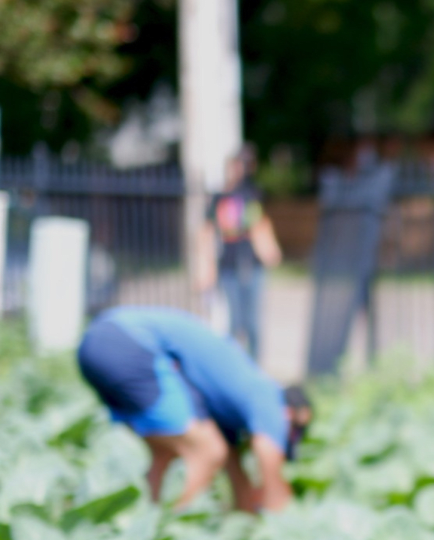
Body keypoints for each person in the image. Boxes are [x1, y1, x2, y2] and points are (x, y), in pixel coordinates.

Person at [75, 306, 312, 513]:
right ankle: (174, 531)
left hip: (99, 339)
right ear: (289, 415)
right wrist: (281, 511)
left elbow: (236, 472)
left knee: (164, 453)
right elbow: (270, 469)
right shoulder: (268, 396)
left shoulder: (232, 407)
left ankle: (145, 526)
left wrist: (246, 513)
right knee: (209, 450)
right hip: (131, 342)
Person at [198, 147, 282, 359]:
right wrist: (205, 270)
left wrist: (270, 250)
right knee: (235, 322)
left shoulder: (253, 194)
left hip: (252, 264)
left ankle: (254, 365)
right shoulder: (219, 198)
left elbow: (262, 226)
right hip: (227, 265)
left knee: (253, 322)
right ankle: (235, 364)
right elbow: (206, 234)